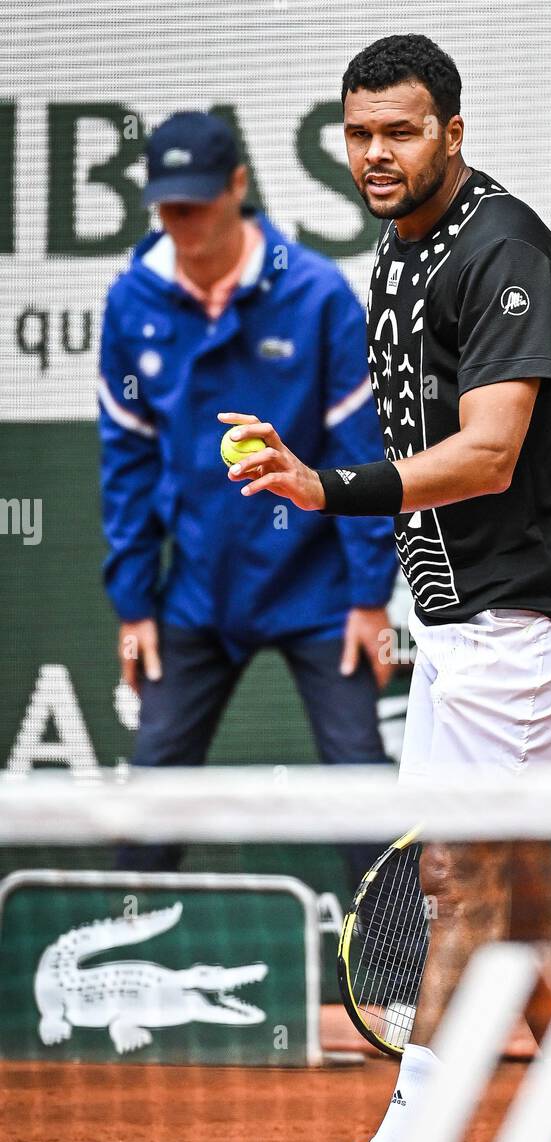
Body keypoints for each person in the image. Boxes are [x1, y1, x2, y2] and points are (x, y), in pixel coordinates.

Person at [230, 35, 551, 1142]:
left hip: (537, 608)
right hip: (470, 606)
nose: (375, 153)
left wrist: (326, 488)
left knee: (456, 878)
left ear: (450, 133)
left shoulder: (499, 248)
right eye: (359, 132)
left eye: (400, 131)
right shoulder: (399, 250)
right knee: (515, 885)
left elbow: (490, 452)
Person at [98, 112, 397, 884]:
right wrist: (135, 607)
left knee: (363, 788)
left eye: (196, 202)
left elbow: (358, 453)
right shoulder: (132, 301)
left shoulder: (317, 294)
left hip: (320, 593)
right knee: (153, 789)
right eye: (167, 206)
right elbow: (126, 459)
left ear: (238, 186)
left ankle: (400, 988)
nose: (181, 222)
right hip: (195, 595)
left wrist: (369, 597)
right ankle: (110, 970)